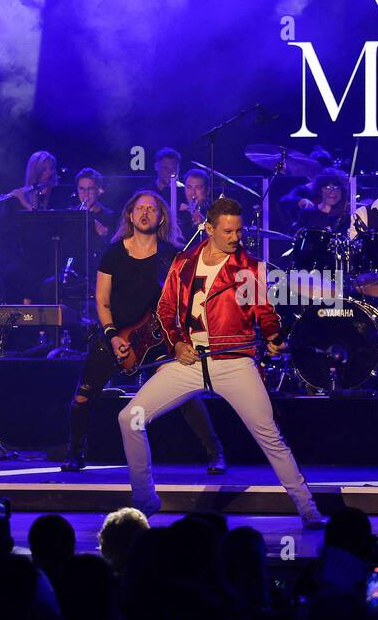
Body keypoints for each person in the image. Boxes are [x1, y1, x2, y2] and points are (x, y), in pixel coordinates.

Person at [119, 197, 325, 526]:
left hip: (233, 362)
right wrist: (176, 344)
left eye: (239, 231)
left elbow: (265, 313)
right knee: (130, 417)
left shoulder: (249, 267)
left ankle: (307, 508)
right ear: (209, 228)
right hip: (188, 363)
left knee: (268, 435)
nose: (235, 237)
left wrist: (273, 337)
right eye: (228, 231)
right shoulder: (184, 263)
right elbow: (165, 309)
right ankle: (145, 499)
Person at [65, 190, 225, 473]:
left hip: (158, 338)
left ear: (161, 217)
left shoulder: (172, 256)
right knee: (82, 397)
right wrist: (113, 335)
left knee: (186, 396)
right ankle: (75, 453)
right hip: (115, 336)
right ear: (129, 215)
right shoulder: (113, 253)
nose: (145, 213)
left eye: (152, 209)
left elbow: (186, 301)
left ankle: (215, 453)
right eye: (139, 208)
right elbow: (102, 301)